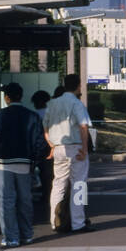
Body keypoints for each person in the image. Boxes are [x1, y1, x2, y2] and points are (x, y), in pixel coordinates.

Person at [0, 82, 49, 247]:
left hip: (3, 164)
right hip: (25, 163)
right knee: (25, 200)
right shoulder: (32, 116)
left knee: (6, 201)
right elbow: (40, 142)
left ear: (6, 97)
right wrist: (34, 160)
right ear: (21, 96)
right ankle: (27, 234)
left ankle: (11, 237)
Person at [44, 73, 92, 233]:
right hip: (75, 146)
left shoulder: (52, 103)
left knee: (58, 185)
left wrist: (51, 145)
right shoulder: (77, 104)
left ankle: (54, 221)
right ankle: (78, 222)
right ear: (78, 86)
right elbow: (84, 127)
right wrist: (84, 149)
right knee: (79, 184)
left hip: (58, 148)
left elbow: (45, 126)